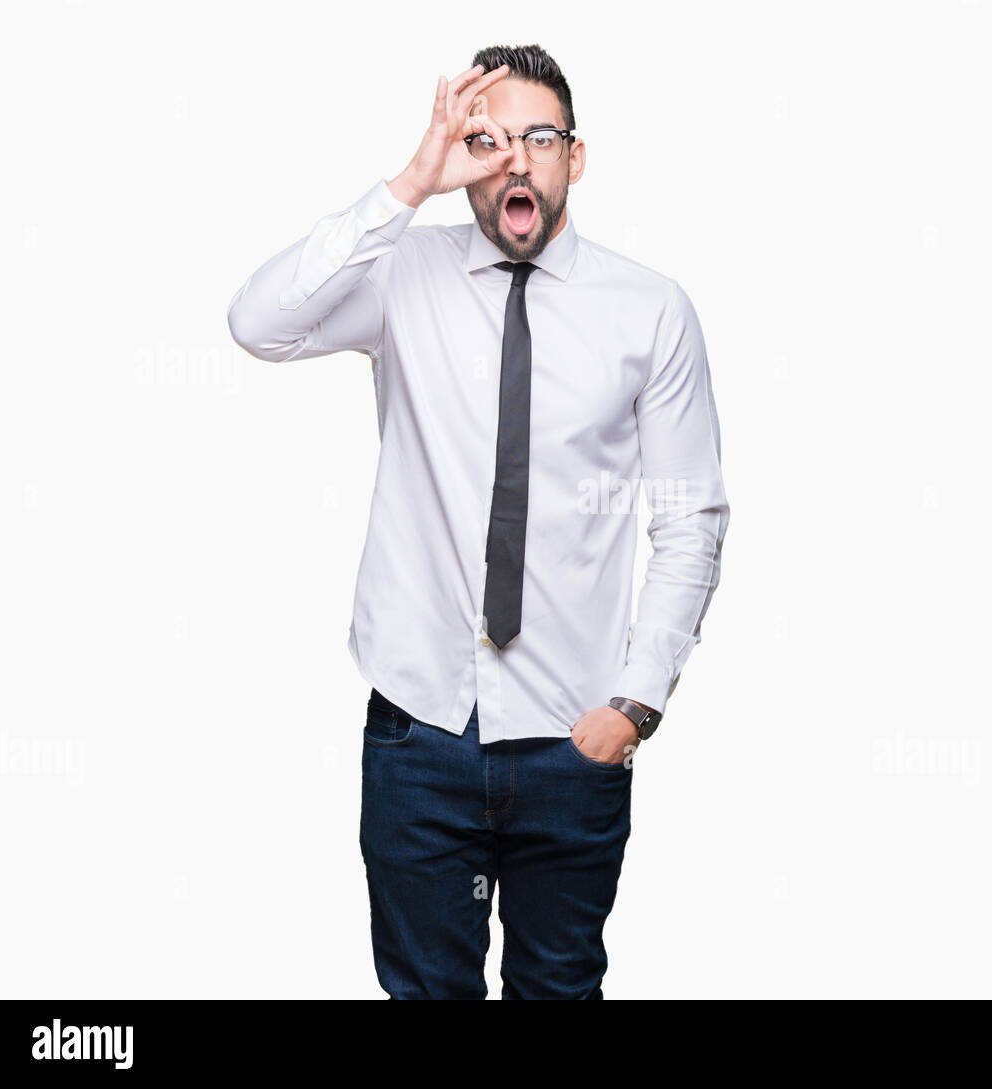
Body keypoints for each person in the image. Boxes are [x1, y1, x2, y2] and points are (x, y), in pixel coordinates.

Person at [226, 43, 729, 999]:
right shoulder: (398, 273)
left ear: (574, 159)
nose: (516, 161)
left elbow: (689, 517)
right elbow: (260, 323)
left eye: (540, 137)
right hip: (420, 736)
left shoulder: (650, 311)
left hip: (570, 742)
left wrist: (635, 702)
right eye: (487, 139)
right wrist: (411, 181)